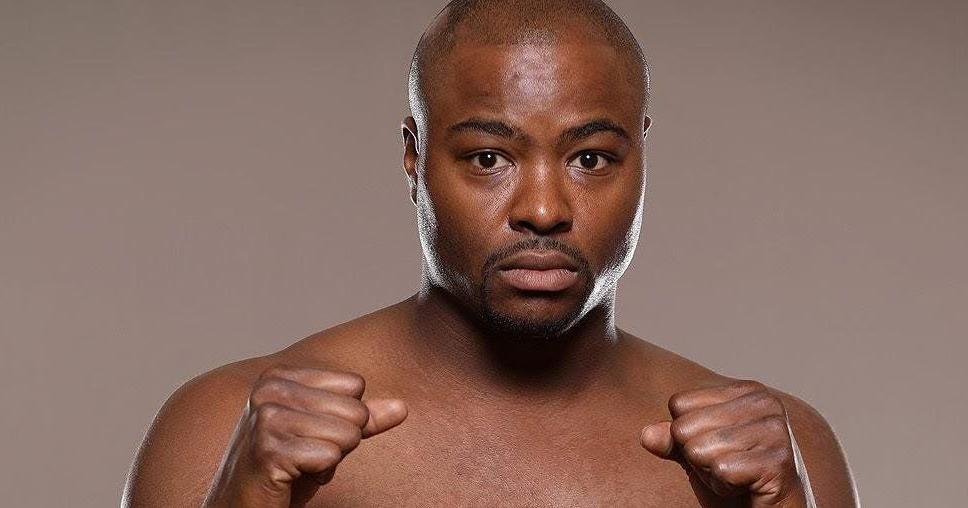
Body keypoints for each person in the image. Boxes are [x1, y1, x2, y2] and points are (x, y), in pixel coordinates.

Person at [121, 0, 858, 506]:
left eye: (592, 159)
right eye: (488, 158)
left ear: (642, 155)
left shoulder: (781, 453)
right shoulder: (225, 427)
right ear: (414, 160)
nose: (544, 209)